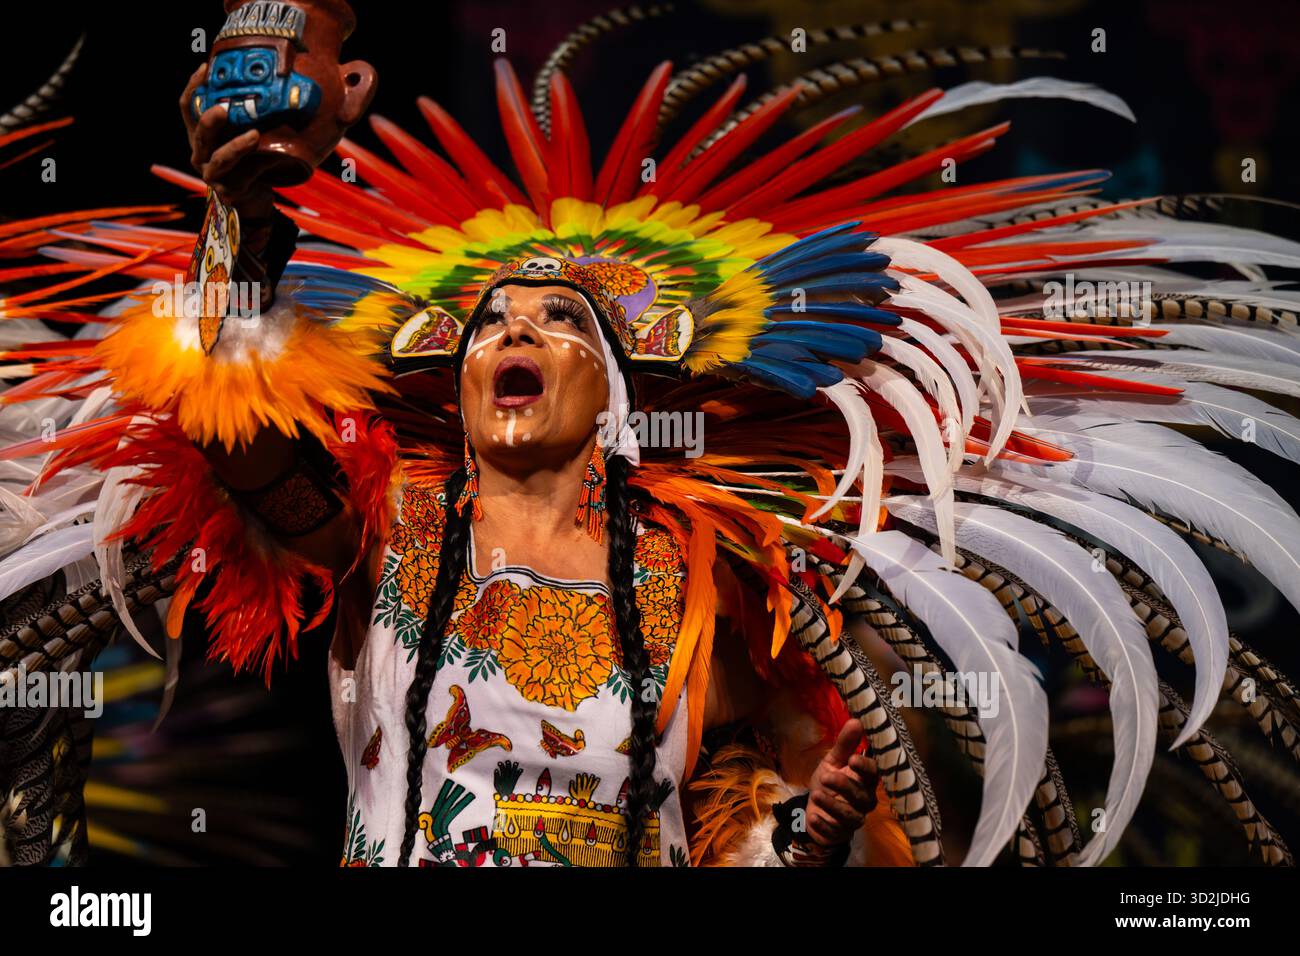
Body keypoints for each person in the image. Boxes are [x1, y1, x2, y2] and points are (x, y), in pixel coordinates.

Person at [3, 3, 1299, 867]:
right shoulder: (380, 539)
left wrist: (818, 826)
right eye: (488, 320)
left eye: (559, 320)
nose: (512, 329)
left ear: (618, 395)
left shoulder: (703, 596)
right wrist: (239, 225)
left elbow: (752, 828)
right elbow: (233, 433)